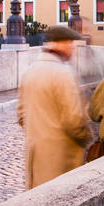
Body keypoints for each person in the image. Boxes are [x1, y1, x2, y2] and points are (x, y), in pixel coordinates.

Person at [17, 25, 90, 189]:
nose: (72, 48)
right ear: (59, 44)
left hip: (35, 153)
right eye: (70, 43)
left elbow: (21, 115)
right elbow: (74, 120)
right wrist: (86, 140)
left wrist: (38, 132)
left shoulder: (29, 72)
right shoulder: (64, 74)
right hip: (61, 157)